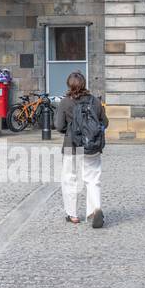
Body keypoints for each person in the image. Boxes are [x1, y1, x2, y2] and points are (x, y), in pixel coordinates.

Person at [53, 71, 109, 228]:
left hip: (72, 146)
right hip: (92, 146)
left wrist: (70, 131)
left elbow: (58, 125)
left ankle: (73, 215)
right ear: (84, 84)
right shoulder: (94, 101)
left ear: (69, 85)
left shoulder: (65, 102)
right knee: (93, 180)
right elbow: (105, 122)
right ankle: (95, 210)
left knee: (70, 179)